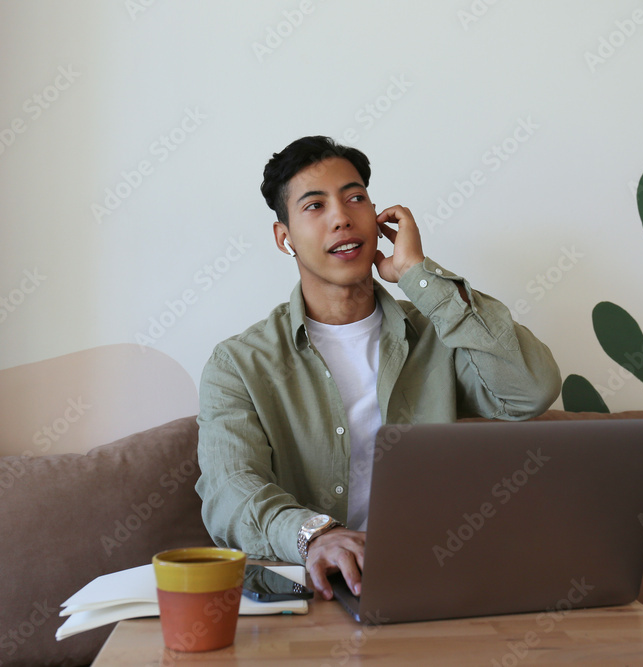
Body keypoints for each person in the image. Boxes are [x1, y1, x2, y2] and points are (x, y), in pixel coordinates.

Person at [196, 136, 561, 600]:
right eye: (314, 205)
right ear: (284, 238)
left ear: (377, 215)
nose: (342, 217)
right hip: (309, 591)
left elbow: (530, 390)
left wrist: (418, 274)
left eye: (355, 198)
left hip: (432, 580)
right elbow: (230, 491)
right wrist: (316, 535)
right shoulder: (239, 364)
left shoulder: (439, 335)